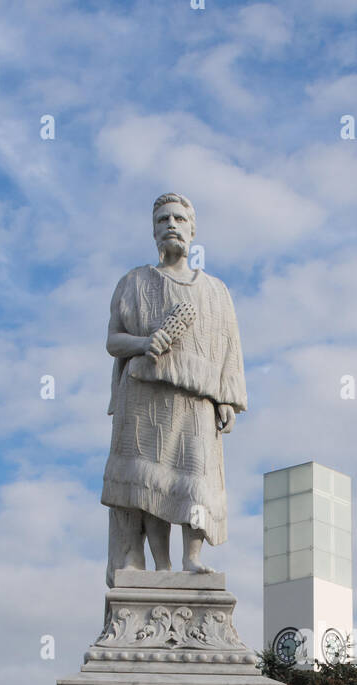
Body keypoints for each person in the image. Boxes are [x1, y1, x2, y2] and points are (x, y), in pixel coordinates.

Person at [101, 193, 247, 585]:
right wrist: (143, 342)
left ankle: (193, 558)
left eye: (180, 219)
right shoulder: (133, 283)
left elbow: (229, 346)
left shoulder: (216, 291)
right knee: (149, 480)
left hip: (196, 397)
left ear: (192, 230)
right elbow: (114, 341)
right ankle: (159, 565)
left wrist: (226, 398)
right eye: (164, 218)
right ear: (153, 230)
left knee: (196, 475)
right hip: (144, 392)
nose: (172, 225)